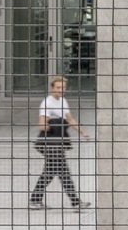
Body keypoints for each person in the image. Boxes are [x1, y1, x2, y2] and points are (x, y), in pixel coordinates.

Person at [29, 76, 89, 209]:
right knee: (63, 172)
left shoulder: (63, 101)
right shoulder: (47, 103)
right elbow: (42, 125)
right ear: (52, 88)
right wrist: (58, 124)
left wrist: (82, 132)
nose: (60, 90)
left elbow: (70, 119)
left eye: (63, 88)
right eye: (58, 87)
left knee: (49, 173)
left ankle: (34, 200)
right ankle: (76, 202)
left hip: (57, 142)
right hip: (49, 142)